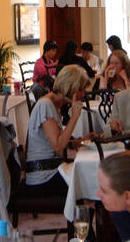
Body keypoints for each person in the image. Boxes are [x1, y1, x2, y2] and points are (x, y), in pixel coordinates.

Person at [22, 64, 89, 201]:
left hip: (52, 171)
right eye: (81, 89)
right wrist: (75, 117)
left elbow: (58, 140)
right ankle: (83, 218)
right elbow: (58, 146)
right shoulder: (46, 104)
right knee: (87, 181)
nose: (83, 94)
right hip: (43, 176)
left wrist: (81, 140)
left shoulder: (54, 105)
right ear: (70, 87)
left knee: (89, 176)